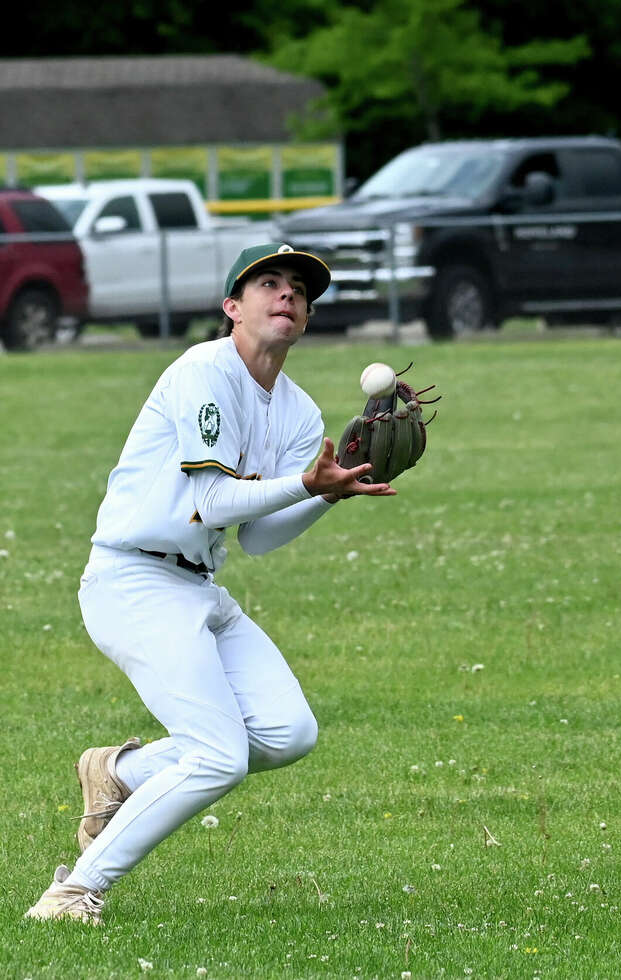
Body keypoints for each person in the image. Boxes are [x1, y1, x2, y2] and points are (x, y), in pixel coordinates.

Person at [26, 243, 397, 924]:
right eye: (268, 283)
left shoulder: (297, 412)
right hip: (132, 581)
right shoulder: (205, 370)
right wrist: (304, 484)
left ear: (308, 317)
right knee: (218, 755)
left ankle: (121, 773)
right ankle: (73, 890)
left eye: (299, 290)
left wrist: (330, 492)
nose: (286, 294)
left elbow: (258, 536)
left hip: (197, 589)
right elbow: (215, 505)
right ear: (233, 307)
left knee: (287, 732)